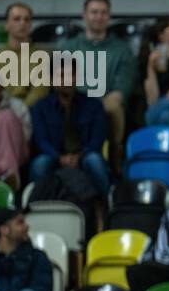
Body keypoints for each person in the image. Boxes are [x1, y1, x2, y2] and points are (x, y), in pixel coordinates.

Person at [56, 0, 135, 169]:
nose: (99, 17)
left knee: (114, 106)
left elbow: (121, 90)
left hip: (105, 106)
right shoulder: (68, 47)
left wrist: (93, 107)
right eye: (94, 12)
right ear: (84, 16)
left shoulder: (122, 50)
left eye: (103, 12)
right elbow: (60, 83)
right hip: (72, 103)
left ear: (109, 16)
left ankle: (115, 158)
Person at [28, 61, 109, 196]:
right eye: (61, 76)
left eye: (71, 75)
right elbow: (41, 140)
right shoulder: (41, 107)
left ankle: (107, 203)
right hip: (54, 156)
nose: (67, 80)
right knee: (40, 163)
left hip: (84, 155)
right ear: (51, 80)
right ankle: (34, 204)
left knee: (94, 160)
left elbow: (97, 138)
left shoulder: (94, 104)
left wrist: (79, 156)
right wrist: (60, 158)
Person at [0, 2, 49, 107]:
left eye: (27, 19)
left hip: (31, 112)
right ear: (7, 25)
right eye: (17, 19)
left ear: (31, 25)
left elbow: (39, 94)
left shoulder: (42, 57)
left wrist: (17, 112)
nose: (22, 23)